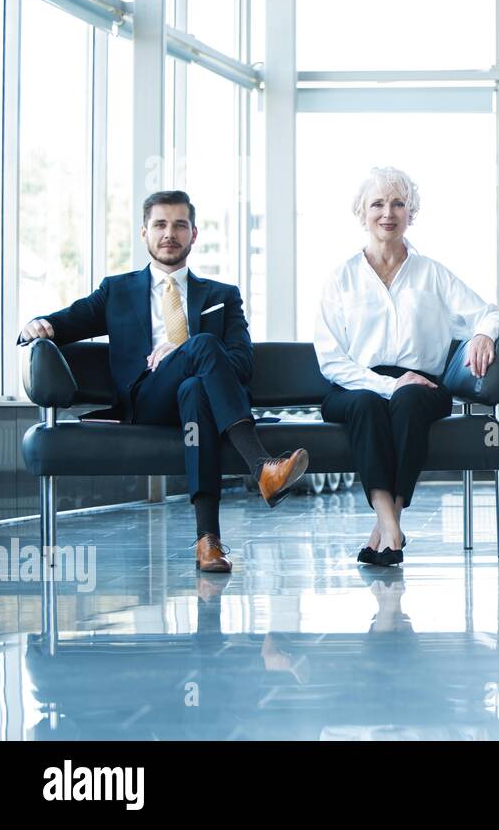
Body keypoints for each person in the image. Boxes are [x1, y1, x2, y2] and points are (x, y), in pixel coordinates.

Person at [19, 190, 309, 573]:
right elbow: (68, 321)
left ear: (194, 234)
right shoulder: (116, 291)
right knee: (202, 344)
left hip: (200, 404)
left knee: (194, 387)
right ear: (144, 233)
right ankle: (261, 468)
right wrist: (38, 325)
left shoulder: (223, 296)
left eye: (179, 225)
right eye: (160, 224)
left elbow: (241, 364)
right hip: (147, 400)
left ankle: (209, 542)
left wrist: (183, 354)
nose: (169, 233)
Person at [313, 167, 499, 567]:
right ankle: (391, 527)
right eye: (378, 203)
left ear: (411, 214)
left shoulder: (432, 273)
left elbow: (493, 314)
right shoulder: (341, 278)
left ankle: (387, 527)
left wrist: (483, 335)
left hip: (421, 386)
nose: (388, 212)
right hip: (355, 386)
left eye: (399, 204)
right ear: (361, 212)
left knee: (409, 401)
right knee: (368, 406)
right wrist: (387, 384)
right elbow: (331, 358)